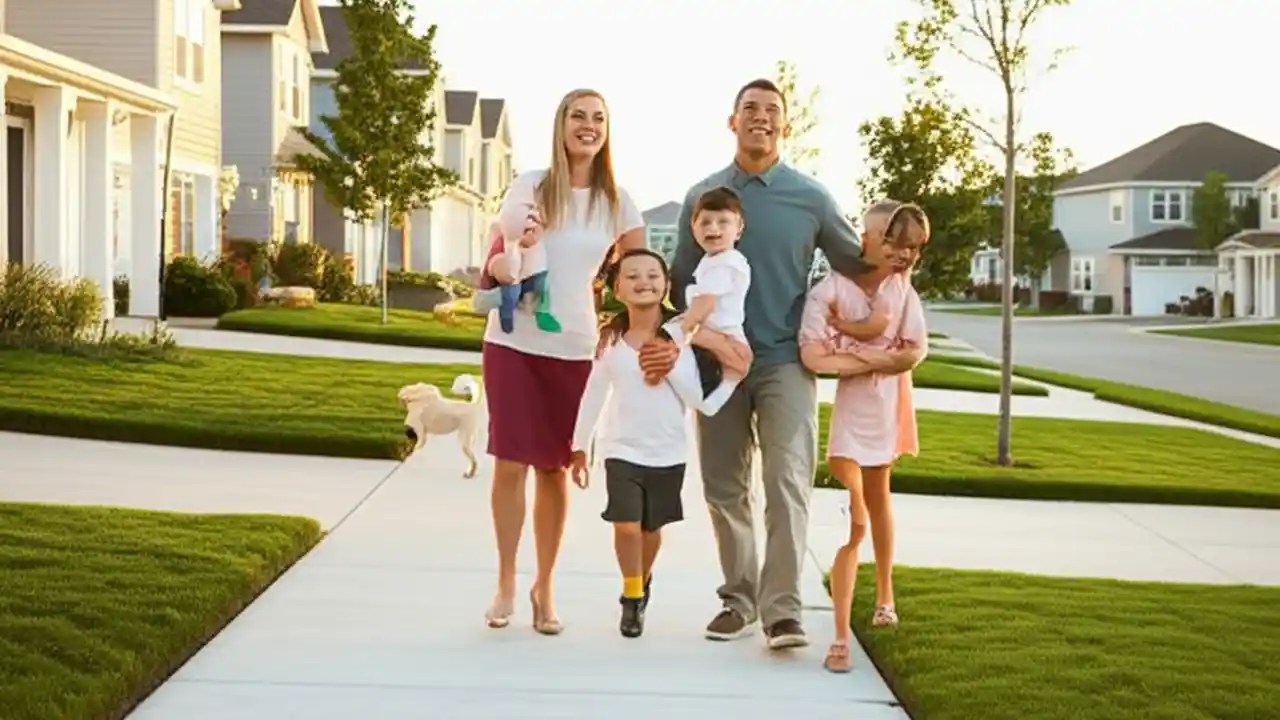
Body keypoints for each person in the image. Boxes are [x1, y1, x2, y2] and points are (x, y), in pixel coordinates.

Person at [637, 78, 873, 649]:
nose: (760, 117)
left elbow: (858, 268)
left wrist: (896, 273)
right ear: (732, 121)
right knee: (724, 485)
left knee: (787, 481)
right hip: (718, 364)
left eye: (772, 110)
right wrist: (691, 344)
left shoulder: (811, 198)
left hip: (785, 361)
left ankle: (783, 611)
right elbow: (682, 288)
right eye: (750, 109)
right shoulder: (703, 195)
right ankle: (739, 600)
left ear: (784, 125)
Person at [479, 88, 645, 635]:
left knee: (554, 469)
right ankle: (506, 580)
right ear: (561, 124)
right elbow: (506, 243)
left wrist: (636, 334)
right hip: (513, 342)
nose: (589, 126)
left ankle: (543, 586)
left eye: (599, 117)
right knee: (509, 464)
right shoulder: (531, 184)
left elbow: (640, 277)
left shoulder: (618, 202)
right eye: (579, 116)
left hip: (575, 347)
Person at [569, 248, 742, 638]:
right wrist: (580, 446)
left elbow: (699, 399)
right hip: (621, 450)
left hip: (667, 453)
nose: (643, 281)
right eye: (632, 276)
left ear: (666, 285)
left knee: (650, 530)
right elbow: (594, 394)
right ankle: (631, 598)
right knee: (626, 526)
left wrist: (673, 366)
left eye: (652, 274)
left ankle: (641, 583)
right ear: (617, 288)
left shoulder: (682, 340)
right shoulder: (610, 339)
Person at [799, 201, 931, 673]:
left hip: (887, 412)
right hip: (851, 418)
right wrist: (878, 358)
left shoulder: (901, 290)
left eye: (911, 247)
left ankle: (885, 597)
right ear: (869, 238)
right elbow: (815, 358)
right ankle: (839, 636)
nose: (903, 253)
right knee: (856, 519)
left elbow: (914, 352)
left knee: (880, 501)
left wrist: (853, 352)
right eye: (894, 241)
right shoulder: (830, 290)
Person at [667, 187, 754, 392]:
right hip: (716, 334)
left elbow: (706, 302)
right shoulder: (712, 260)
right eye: (705, 222)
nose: (713, 228)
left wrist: (686, 327)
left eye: (723, 222)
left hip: (723, 336)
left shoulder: (725, 262)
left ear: (739, 228)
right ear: (693, 227)